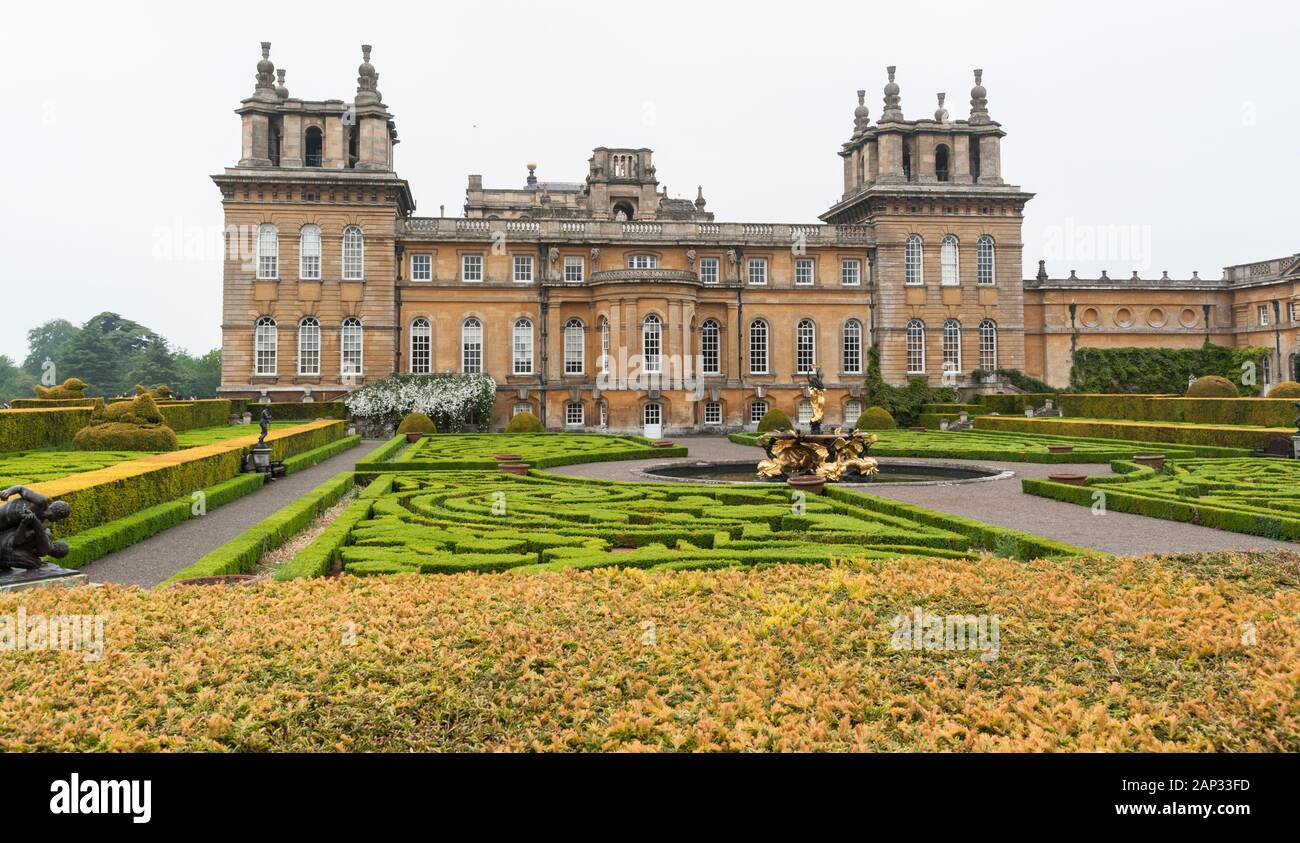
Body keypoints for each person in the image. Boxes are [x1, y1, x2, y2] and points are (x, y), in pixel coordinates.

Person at [0, 486, 71, 570]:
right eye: (60, 519)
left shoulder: (38, 523)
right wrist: (7, 492)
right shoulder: (41, 502)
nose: (57, 521)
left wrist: (25, 523)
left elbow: (19, 537)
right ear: (59, 516)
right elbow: (20, 488)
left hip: (4, 527)